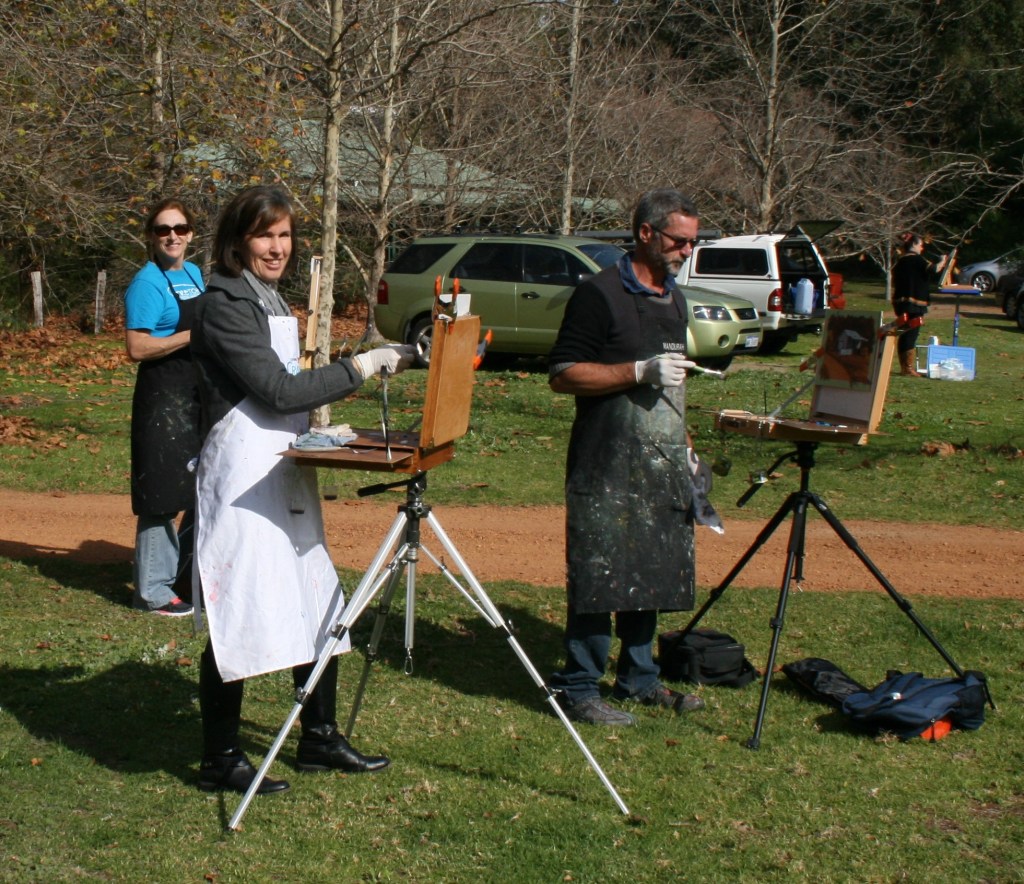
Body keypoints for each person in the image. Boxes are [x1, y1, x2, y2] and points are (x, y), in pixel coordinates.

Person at [190, 185, 416, 794]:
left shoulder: (268, 298)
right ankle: (221, 758)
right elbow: (279, 391)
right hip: (240, 475)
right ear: (238, 240)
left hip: (284, 465)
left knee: (317, 598)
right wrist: (361, 367)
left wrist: (320, 431)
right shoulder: (223, 303)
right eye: (265, 235)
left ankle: (318, 738)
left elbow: (289, 390)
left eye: (285, 235)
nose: (277, 247)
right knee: (239, 609)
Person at [546, 188, 709, 726]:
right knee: (600, 570)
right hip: (604, 458)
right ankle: (579, 686)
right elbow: (564, 373)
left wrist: (685, 450)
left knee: (652, 565)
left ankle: (640, 679)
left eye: (693, 243)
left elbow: (675, 390)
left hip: (659, 457)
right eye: (679, 241)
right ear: (645, 233)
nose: (687, 251)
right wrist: (637, 371)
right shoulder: (598, 294)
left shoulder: (674, 298)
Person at [124, 199, 205, 616]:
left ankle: (183, 577)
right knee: (161, 493)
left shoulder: (194, 273)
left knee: (195, 489)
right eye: (162, 230)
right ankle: (153, 591)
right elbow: (136, 347)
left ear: (191, 233)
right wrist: (192, 336)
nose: (172, 236)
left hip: (194, 398)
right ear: (152, 237)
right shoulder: (147, 283)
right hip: (161, 398)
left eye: (179, 227)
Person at [891, 232, 947, 377]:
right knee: (911, 333)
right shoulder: (916, 260)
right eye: (921, 245)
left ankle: (906, 367)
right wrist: (942, 261)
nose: (922, 248)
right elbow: (933, 269)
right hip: (912, 303)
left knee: (906, 332)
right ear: (914, 244)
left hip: (901, 302)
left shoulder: (901, 260)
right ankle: (907, 368)